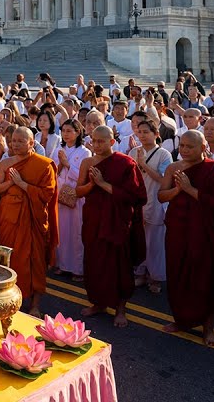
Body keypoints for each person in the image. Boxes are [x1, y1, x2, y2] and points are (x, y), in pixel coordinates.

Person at [158, 130, 214, 346]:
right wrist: (177, 191)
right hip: (178, 229)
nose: (183, 150)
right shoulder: (174, 168)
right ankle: (181, 320)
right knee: (177, 276)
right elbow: (161, 195)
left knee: (204, 279)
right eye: (182, 146)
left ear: (203, 148)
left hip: (203, 233)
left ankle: (208, 328)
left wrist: (190, 189)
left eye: (189, 146)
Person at [76, 126, 146, 327]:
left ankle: (121, 309)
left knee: (119, 266)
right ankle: (99, 303)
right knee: (94, 263)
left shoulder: (125, 163)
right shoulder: (88, 162)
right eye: (94, 141)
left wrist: (103, 183)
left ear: (112, 142)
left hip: (117, 221)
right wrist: (92, 184)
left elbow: (136, 196)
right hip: (94, 219)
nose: (97, 145)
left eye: (101, 141)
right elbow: (79, 191)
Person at [0, 125, 57, 316]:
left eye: (21, 141)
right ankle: (8, 299)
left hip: (31, 218)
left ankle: (35, 304)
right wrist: (11, 183)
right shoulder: (6, 164)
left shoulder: (44, 164)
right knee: (8, 259)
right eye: (13, 141)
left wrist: (23, 184)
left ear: (31, 143)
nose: (16, 144)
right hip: (9, 217)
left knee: (34, 261)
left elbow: (47, 194)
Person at [132, 119, 173, 293]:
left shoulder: (164, 154)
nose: (142, 135)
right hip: (139, 201)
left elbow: (164, 179)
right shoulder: (134, 151)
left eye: (146, 132)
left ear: (156, 134)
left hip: (156, 201)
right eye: (139, 132)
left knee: (155, 242)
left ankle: (155, 277)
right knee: (139, 239)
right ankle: (140, 273)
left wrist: (143, 165)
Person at [52, 119, 87, 280]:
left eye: (69, 131)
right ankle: (62, 264)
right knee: (62, 230)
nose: (65, 134)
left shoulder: (84, 152)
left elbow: (83, 175)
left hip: (75, 194)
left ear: (78, 132)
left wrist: (67, 164)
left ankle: (77, 268)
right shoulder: (58, 149)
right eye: (63, 131)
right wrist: (60, 165)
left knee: (76, 232)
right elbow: (52, 171)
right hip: (60, 193)